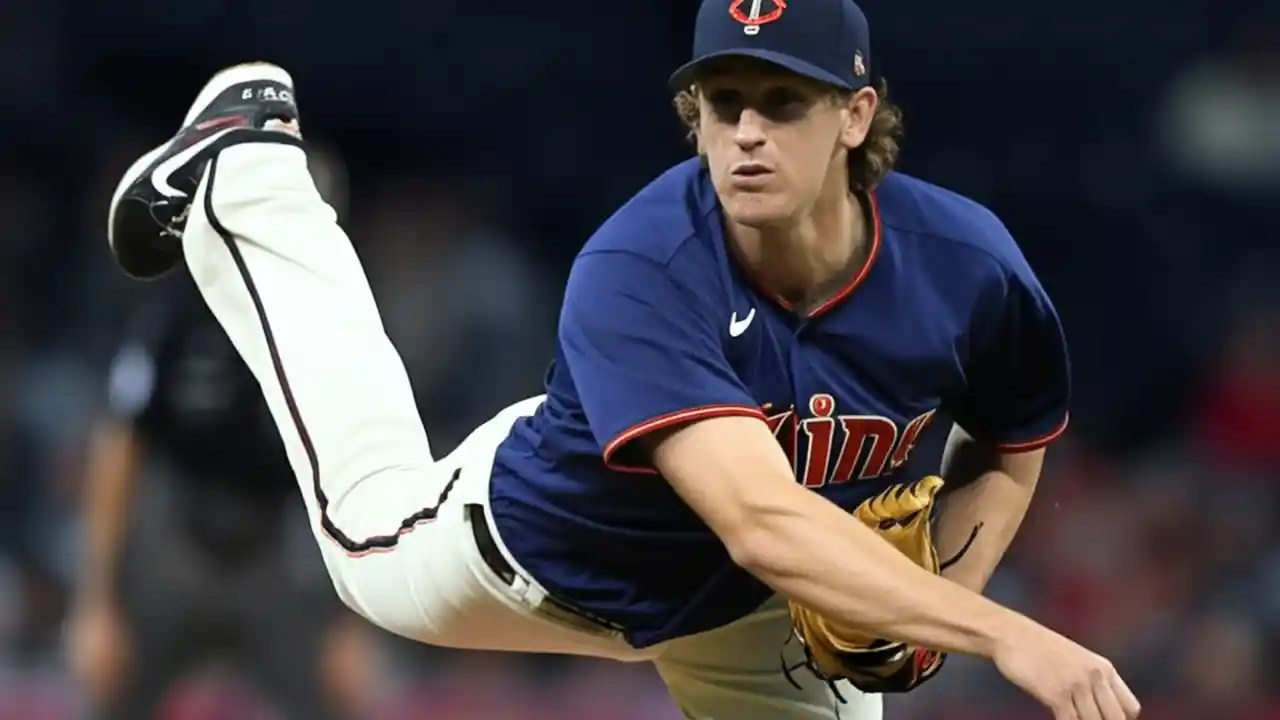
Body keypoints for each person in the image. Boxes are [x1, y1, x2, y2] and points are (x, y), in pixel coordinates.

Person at [103, 1, 1142, 718]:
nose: (745, 133)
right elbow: (763, 525)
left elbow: (1010, 444)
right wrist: (1003, 632)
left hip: (755, 622)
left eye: (781, 103)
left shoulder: (967, 270)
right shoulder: (644, 264)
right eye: (722, 103)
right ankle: (250, 174)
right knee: (359, 525)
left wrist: (931, 588)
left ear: (854, 116)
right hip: (539, 563)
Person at [66, 273, 375, 719]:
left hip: (277, 551)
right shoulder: (177, 308)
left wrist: (354, 620)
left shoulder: (314, 312)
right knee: (106, 689)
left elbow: (354, 460)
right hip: (177, 545)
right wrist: (94, 604)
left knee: (343, 696)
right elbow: (119, 446)